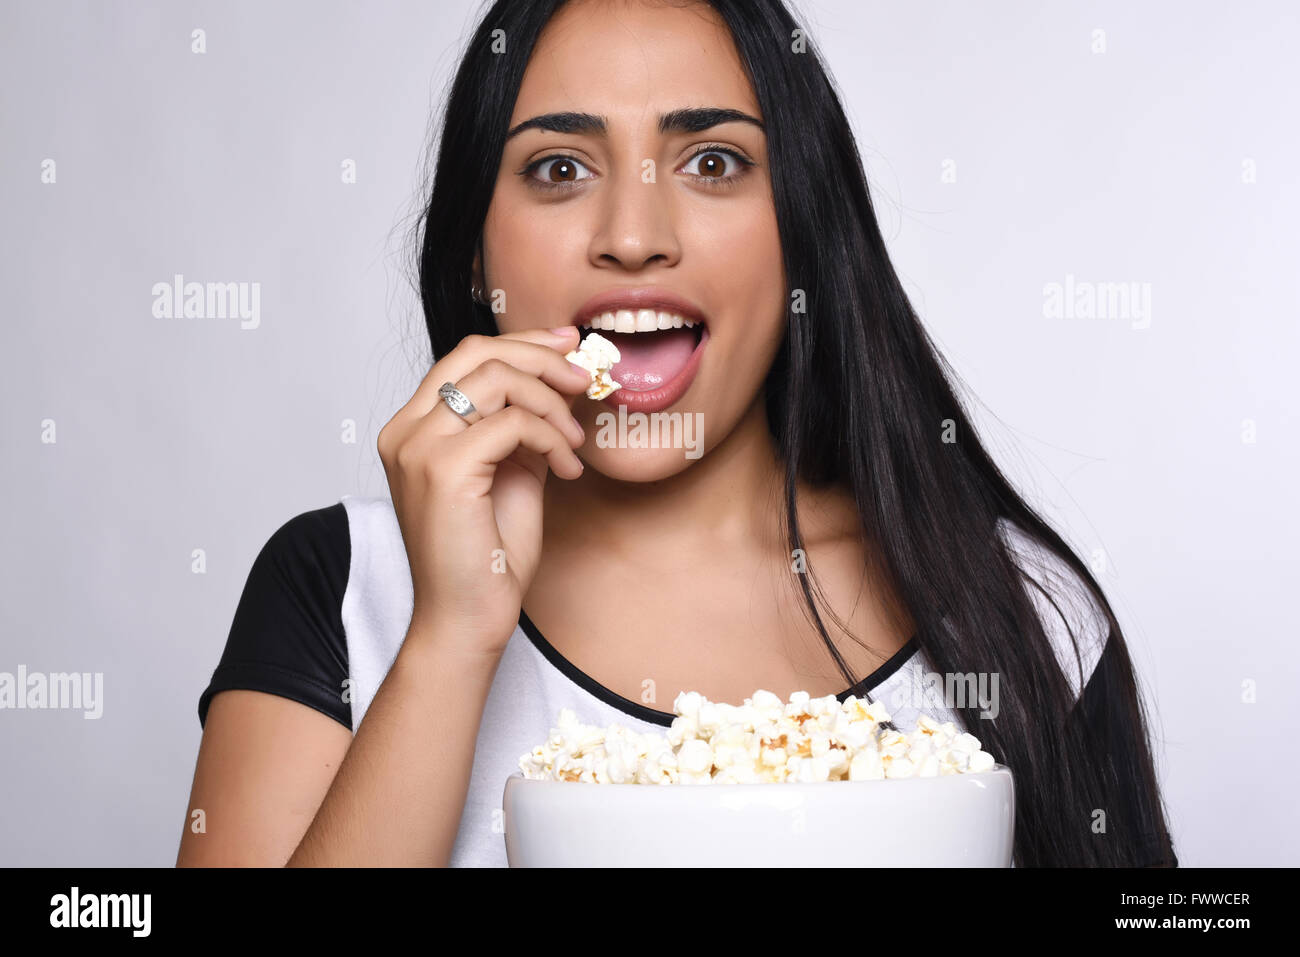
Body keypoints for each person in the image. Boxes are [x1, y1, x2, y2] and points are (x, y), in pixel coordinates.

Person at [178, 0, 1177, 868]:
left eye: (711, 161)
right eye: (560, 167)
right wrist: (450, 640)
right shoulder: (341, 586)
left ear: (804, 231)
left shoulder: (1023, 615)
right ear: (476, 251)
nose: (632, 232)